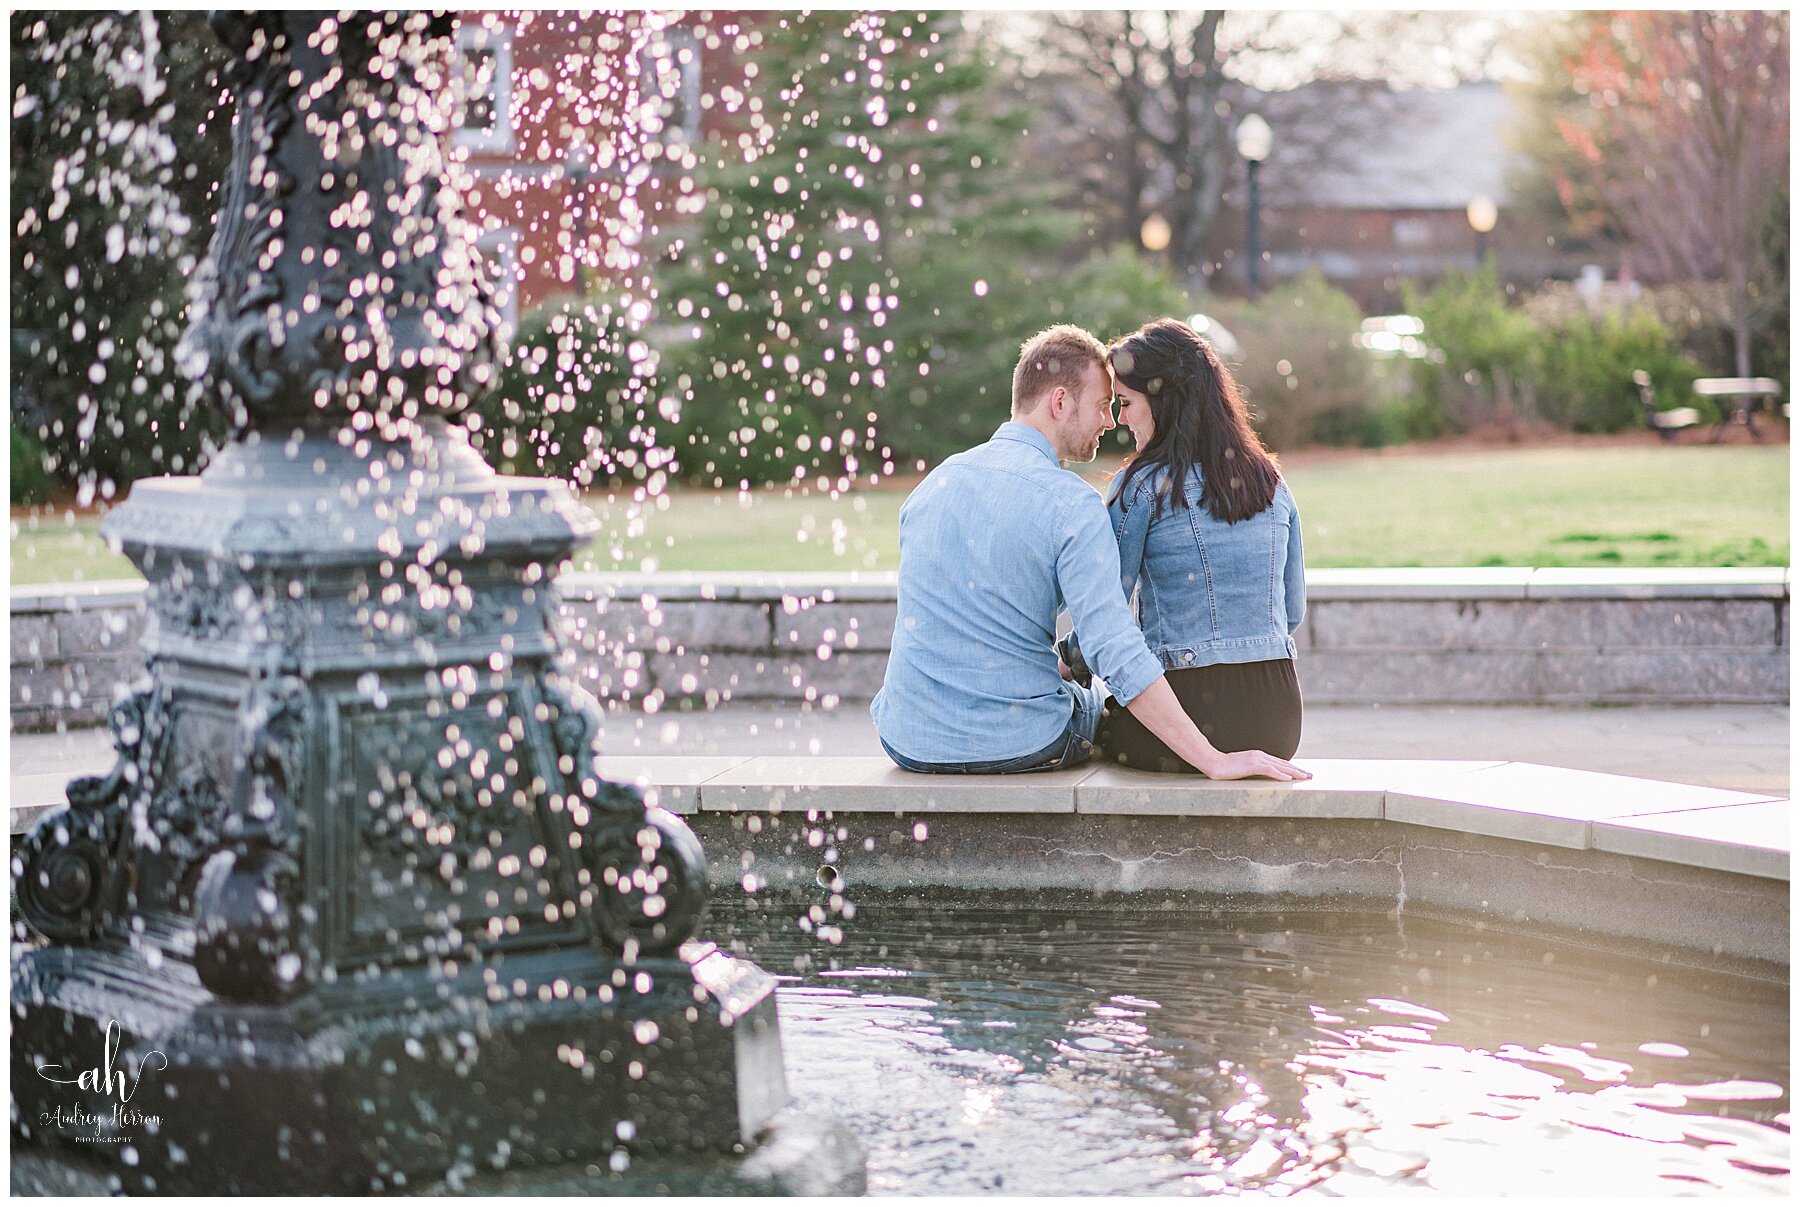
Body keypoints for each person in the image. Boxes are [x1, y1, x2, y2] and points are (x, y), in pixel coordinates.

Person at [870, 323, 1308, 783]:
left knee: (1099, 698)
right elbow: (1115, 644)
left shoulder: (930, 486)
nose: (1111, 421)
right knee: (1095, 700)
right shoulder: (1071, 501)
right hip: (1028, 741)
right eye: (1104, 405)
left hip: (908, 737)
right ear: (1059, 402)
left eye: (1119, 405)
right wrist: (1215, 759)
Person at [1088, 317, 1306, 772]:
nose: (1120, 419)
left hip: (1187, 718)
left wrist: (1065, 663)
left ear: (1162, 399)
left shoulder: (1142, 486)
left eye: (1127, 404)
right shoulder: (1270, 480)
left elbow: (1105, 613)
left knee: (1080, 717)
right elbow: (1293, 609)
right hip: (1279, 722)